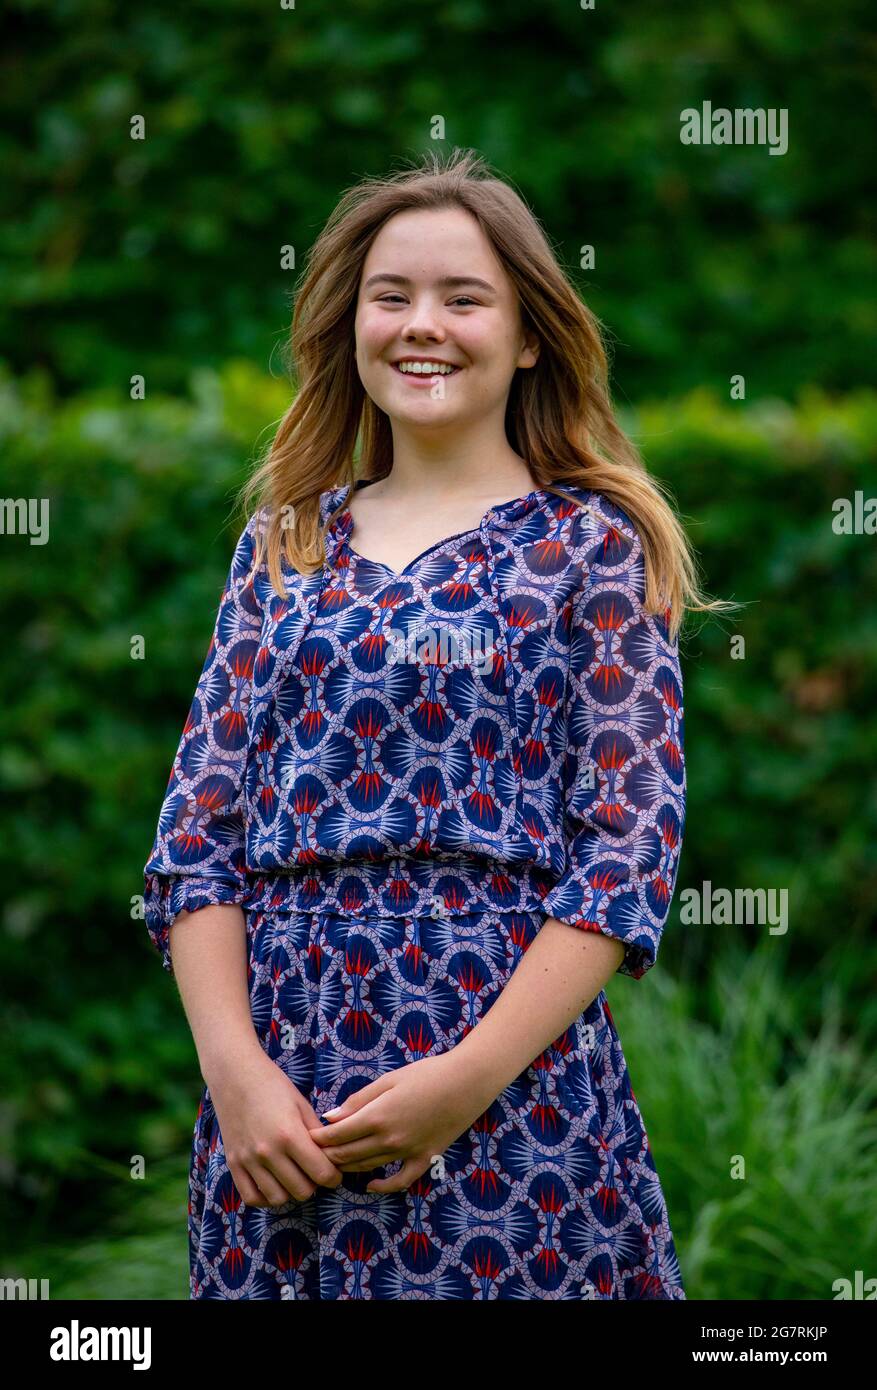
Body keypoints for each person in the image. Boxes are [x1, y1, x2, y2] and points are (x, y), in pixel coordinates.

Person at [143, 148, 723, 1300]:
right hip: (282, 1106)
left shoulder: (594, 549)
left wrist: (465, 1079)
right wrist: (237, 1077)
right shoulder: (286, 546)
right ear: (349, 325)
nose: (423, 325)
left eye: (464, 298)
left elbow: (625, 857)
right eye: (390, 295)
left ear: (527, 336)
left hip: (510, 1100)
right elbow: (194, 843)